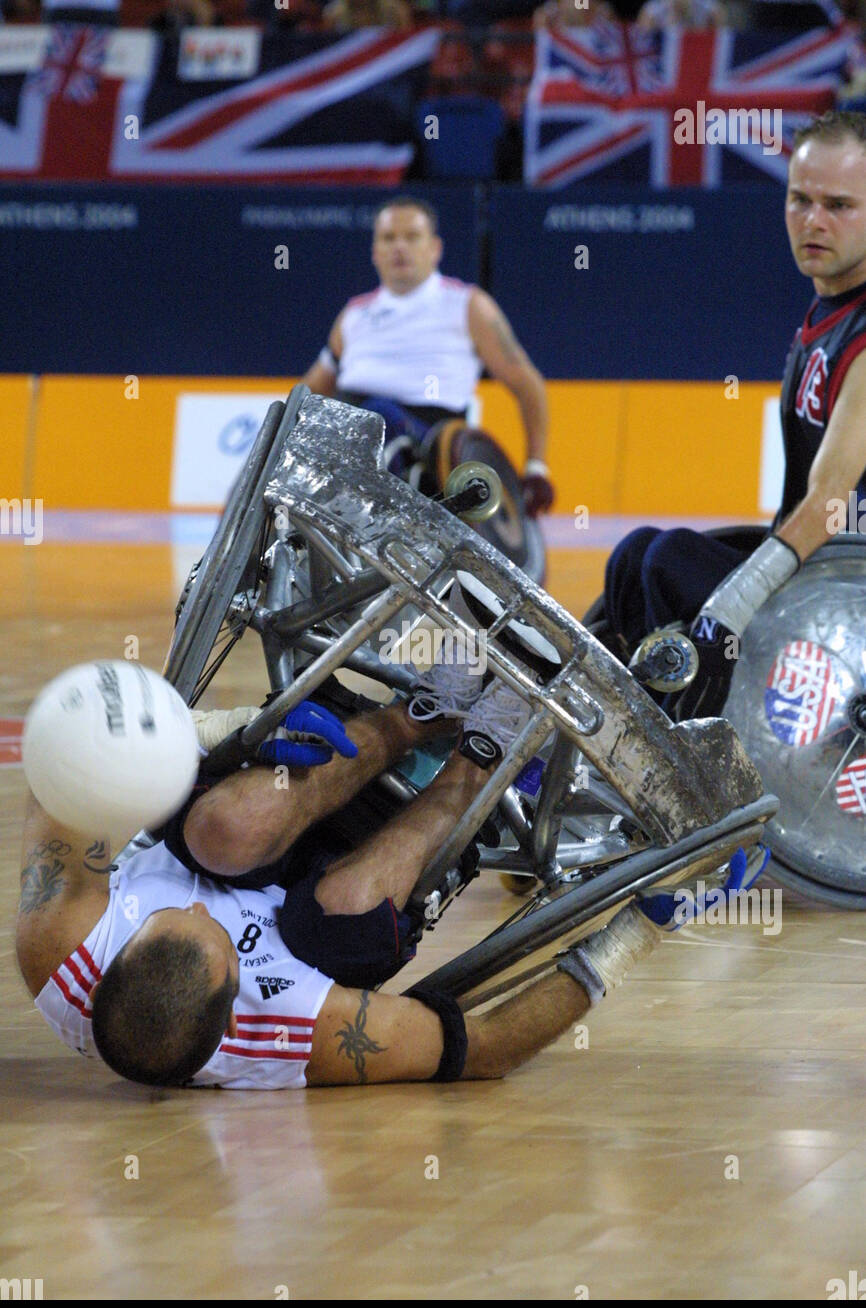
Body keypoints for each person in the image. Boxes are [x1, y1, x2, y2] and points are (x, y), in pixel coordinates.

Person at [16, 669, 650, 1091]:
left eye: (174, 917)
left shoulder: (60, 942)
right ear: (234, 1006)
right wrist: (636, 934)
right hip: (365, 863)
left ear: (120, 953)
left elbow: (66, 770)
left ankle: (418, 714)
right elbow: (483, 1049)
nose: (208, 913)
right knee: (336, 925)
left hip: (278, 790)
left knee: (221, 835)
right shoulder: (285, 1036)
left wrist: (222, 735)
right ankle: (480, 762)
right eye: (216, 936)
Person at [601, 110, 866, 719]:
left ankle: (709, 755)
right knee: (633, 557)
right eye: (799, 200)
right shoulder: (823, 316)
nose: (813, 221)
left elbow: (829, 499)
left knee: (668, 562)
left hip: (849, 590)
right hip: (824, 569)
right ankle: (646, 732)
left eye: (839, 205)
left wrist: (736, 601)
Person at [301, 195, 555, 519]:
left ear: (434, 248)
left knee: (379, 418)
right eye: (389, 238)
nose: (399, 247)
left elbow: (527, 383)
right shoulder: (354, 313)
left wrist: (536, 468)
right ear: (375, 251)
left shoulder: (468, 305)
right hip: (351, 421)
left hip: (425, 436)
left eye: (411, 237)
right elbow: (309, 390)